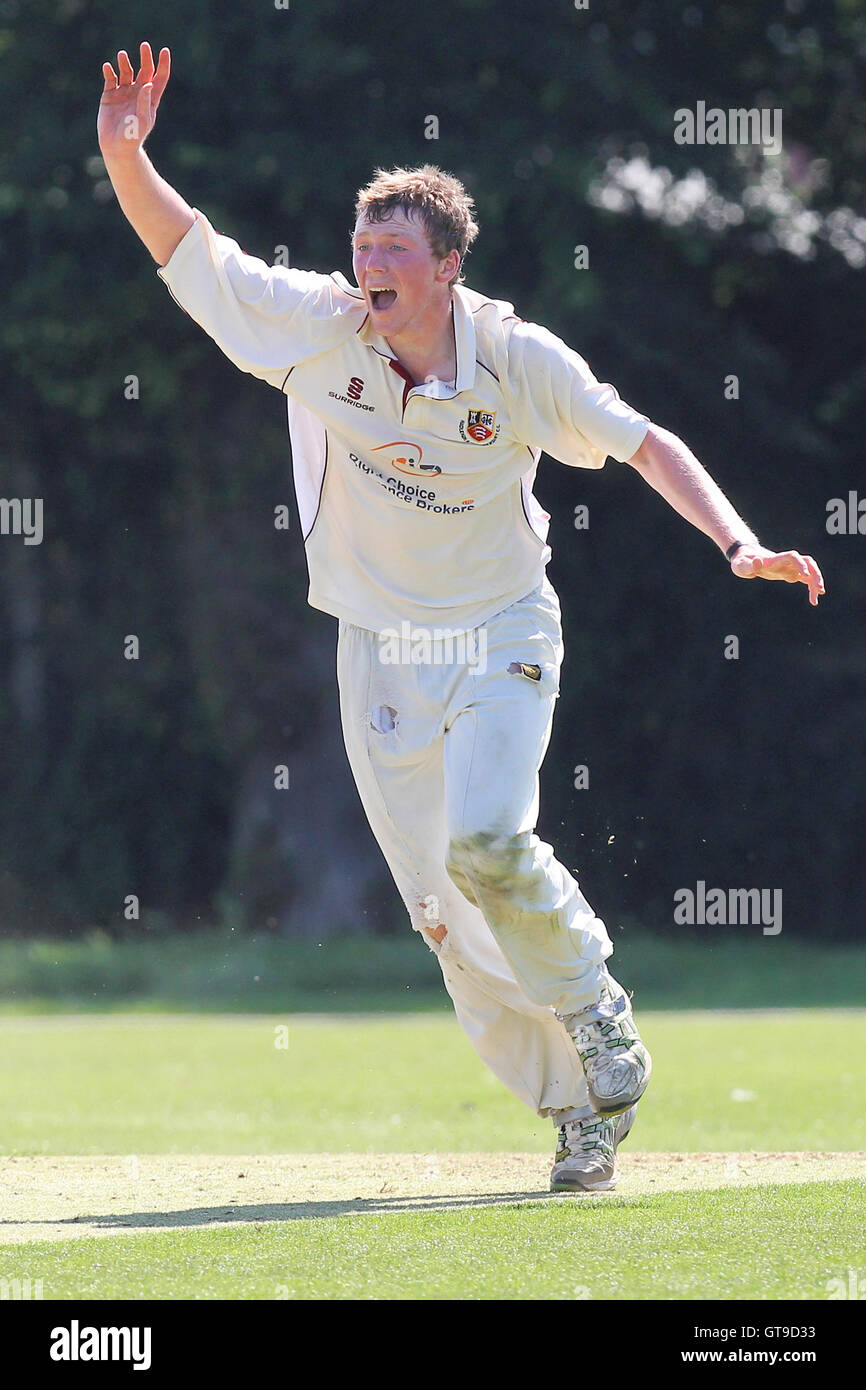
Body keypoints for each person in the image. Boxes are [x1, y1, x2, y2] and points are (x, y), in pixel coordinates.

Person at [98, 43, 826, 1193]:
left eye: (392, 250)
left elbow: (644, 443)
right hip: (380, 651)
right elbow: (194, 252)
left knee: (488, 840)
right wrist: (125, 155)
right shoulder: (318, 328)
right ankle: (580, 1110)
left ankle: (595, 1006)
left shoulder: (516, 358)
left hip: (498, 629)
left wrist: (735, 541)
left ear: (446, 270)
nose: (367, 266)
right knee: (447, 919)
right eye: (360, 246)